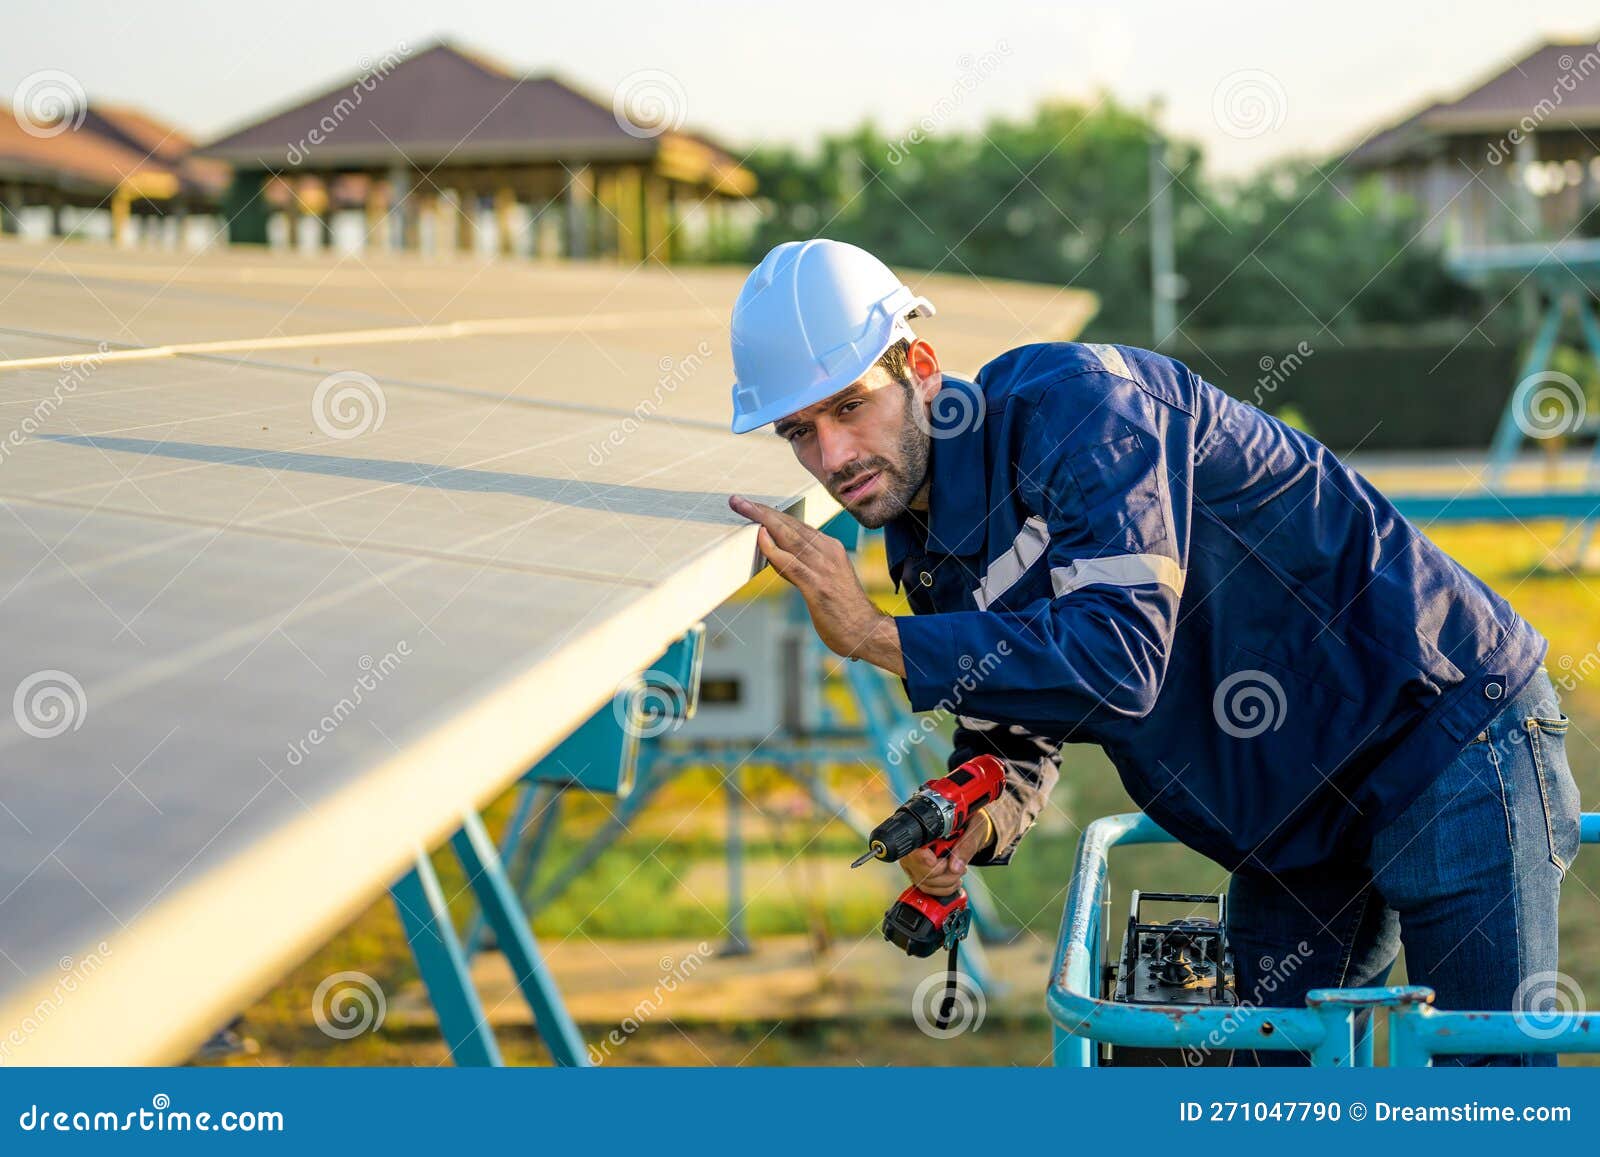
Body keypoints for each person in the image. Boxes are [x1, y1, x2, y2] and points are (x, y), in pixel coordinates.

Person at [725, 238, 1584, 1066]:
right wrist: (973, 817)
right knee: (1261, 1102)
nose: (831, 456)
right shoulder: (925, 549)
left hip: (1445, 735)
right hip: (1297, 822)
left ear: (919, 369)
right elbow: (1013, 736)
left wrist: (878, 635)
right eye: (798, 431)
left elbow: (1117, 655)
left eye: (848, 407)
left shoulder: (1078, 406)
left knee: (1487, 1097)